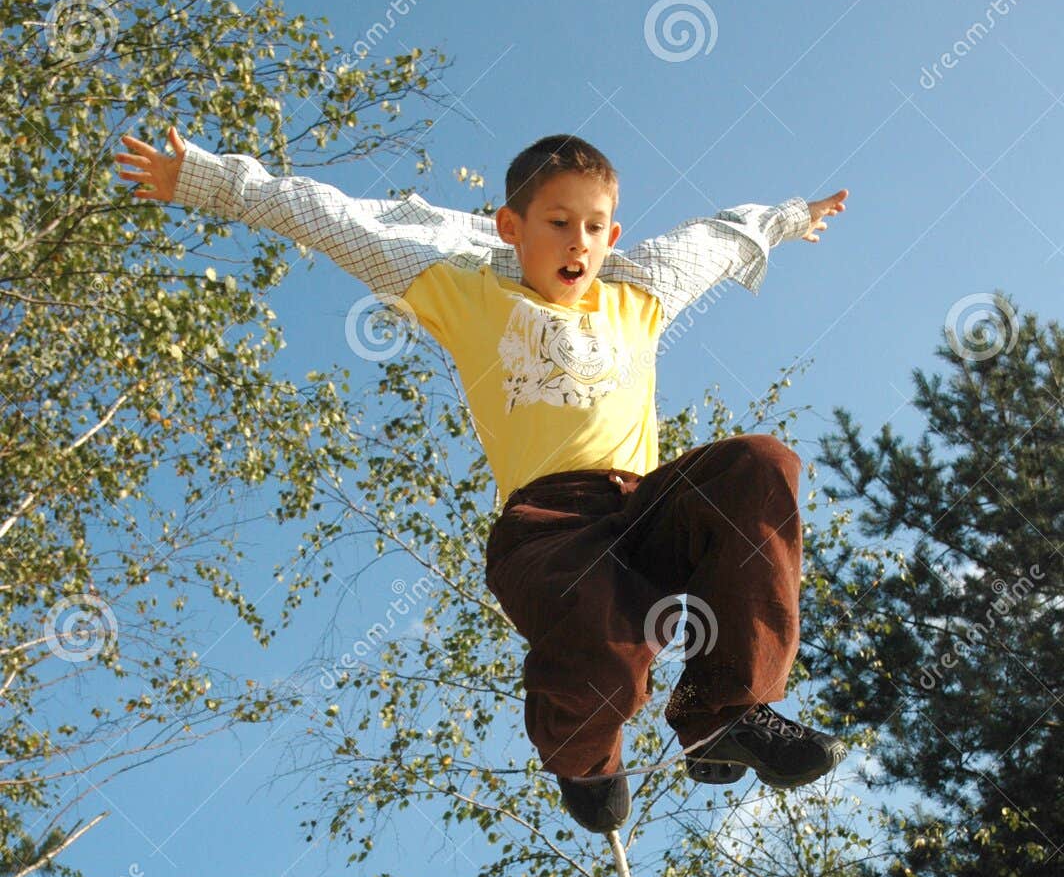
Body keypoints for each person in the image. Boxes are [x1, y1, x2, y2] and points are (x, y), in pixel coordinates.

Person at [114, 125, 849, 832]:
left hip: (645, 507)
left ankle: (723, 711)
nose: (578, 244)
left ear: (613, 237)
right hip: (551, 528)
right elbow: (330, 218)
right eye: (558, 223)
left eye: (595, 228)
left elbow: (714, 239)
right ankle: (584, 756)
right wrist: (209, 180)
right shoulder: (455, 287)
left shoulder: (641, 290)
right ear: (510, 227)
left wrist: (789, 218)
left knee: (761, 464)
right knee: (605, 641)